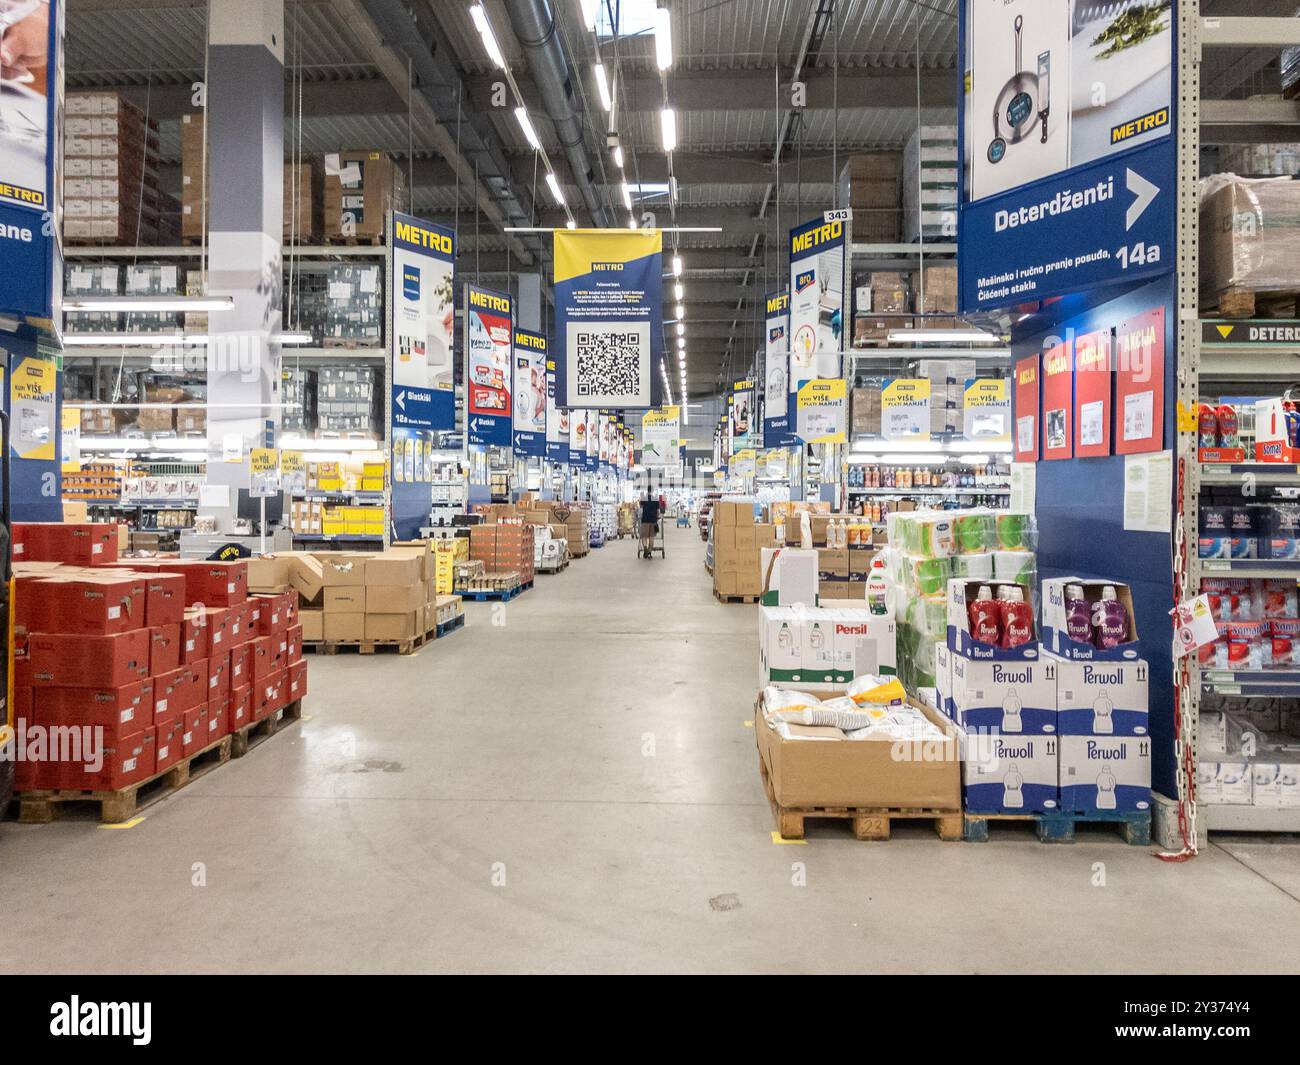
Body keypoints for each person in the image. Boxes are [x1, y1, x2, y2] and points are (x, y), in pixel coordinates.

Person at [639, 491, 662, 558]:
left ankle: (645, 548)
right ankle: (649, 552)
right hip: (653, 521)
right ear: (652, 491)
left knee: (644, 537)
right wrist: (657, 517)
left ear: (647, 491)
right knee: (651, 537)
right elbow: (658, 512)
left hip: (645, 521)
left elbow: (640, 510)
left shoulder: (643, 499)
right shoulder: (655, 500)